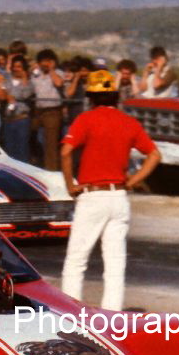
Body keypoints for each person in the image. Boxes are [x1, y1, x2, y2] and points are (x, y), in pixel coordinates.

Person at [60, 70, 161, 311]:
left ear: (91, 97)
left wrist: (70, 185)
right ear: (115, 96)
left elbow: (65, 152)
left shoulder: (86, 119)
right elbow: (154, 155)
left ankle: (69, 313)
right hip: (119, 196)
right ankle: (112, 315)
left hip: (93, 196)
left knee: (77, 260)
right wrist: (134, 180)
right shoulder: (129, 122)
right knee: (115, 263)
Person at [30, 48, 64, 170]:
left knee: (51, 143)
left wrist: (51, 70)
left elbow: (59, 83)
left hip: (52, 111)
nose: (45, 64)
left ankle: (52, 170)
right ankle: (37, 166)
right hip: (38, 111)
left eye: (48, 61)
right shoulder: (36, 74)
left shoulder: (58, 72)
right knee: (33, 138)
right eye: (42, 61)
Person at [1, 55, 34, 163]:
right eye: (14, 66)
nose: (16, 69)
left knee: (22, 150)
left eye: (19, 66)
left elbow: (24, 95)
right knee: (9, 150)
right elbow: (3, 93)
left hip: (21, 120)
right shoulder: (7, 80)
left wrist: (24, 79)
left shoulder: (29, 83)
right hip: (8, 120)